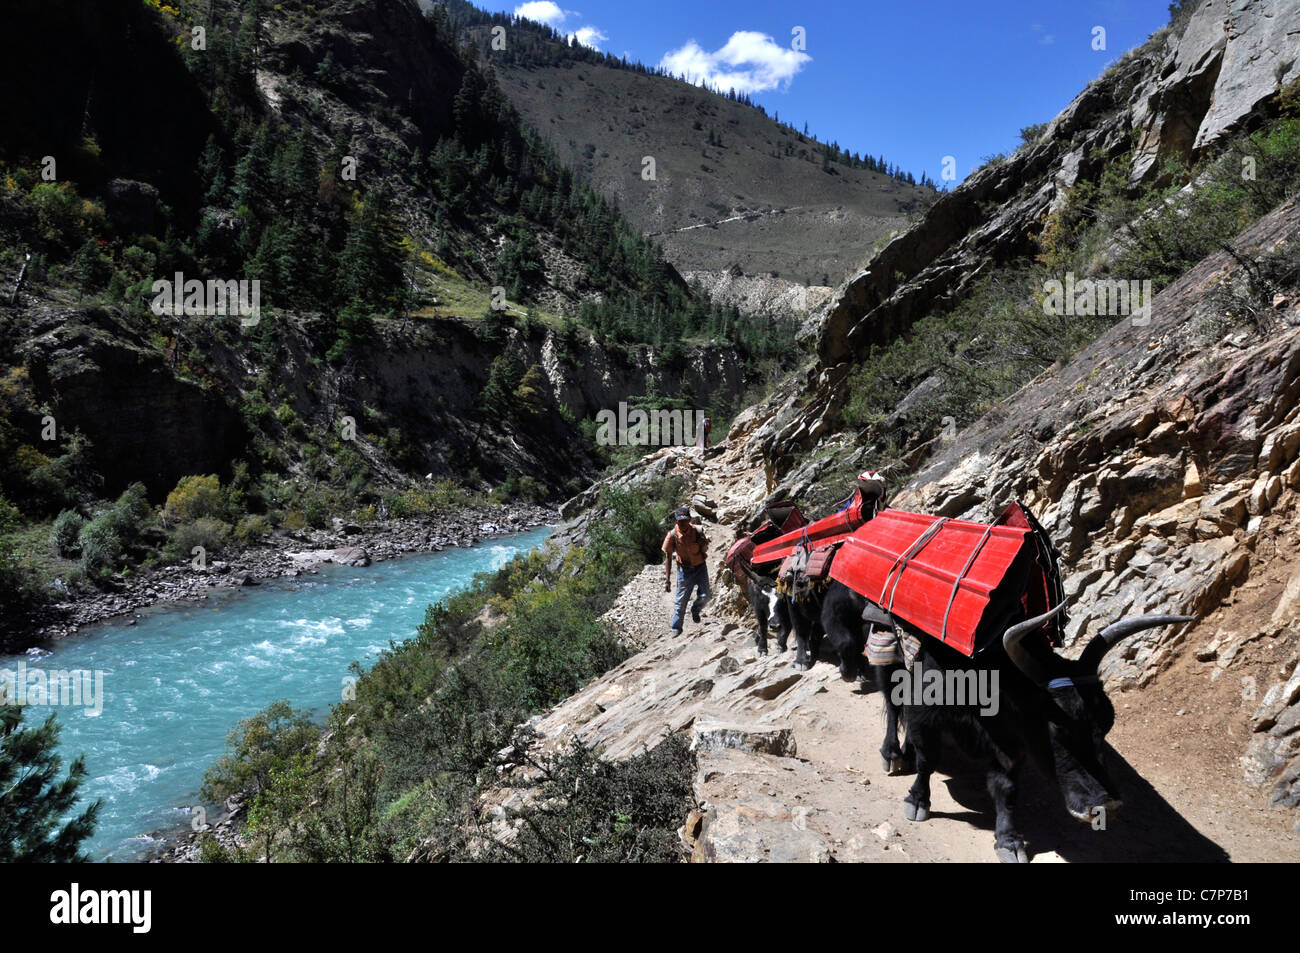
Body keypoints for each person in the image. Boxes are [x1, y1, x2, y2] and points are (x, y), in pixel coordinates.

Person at [663, 506, 710, 634]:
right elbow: (668, 557)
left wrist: (703, 543)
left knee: (706, 596)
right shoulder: (672, 535)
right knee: (680, 602)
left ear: (689, 519)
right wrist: (667, 580)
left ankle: (695, 609)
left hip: (700, 567)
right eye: (680, 521)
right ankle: (676, 629)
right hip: (685, 571)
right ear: (676, 521)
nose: (682, 523)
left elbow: (705, 548)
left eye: (685, 520)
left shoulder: (698, 531)